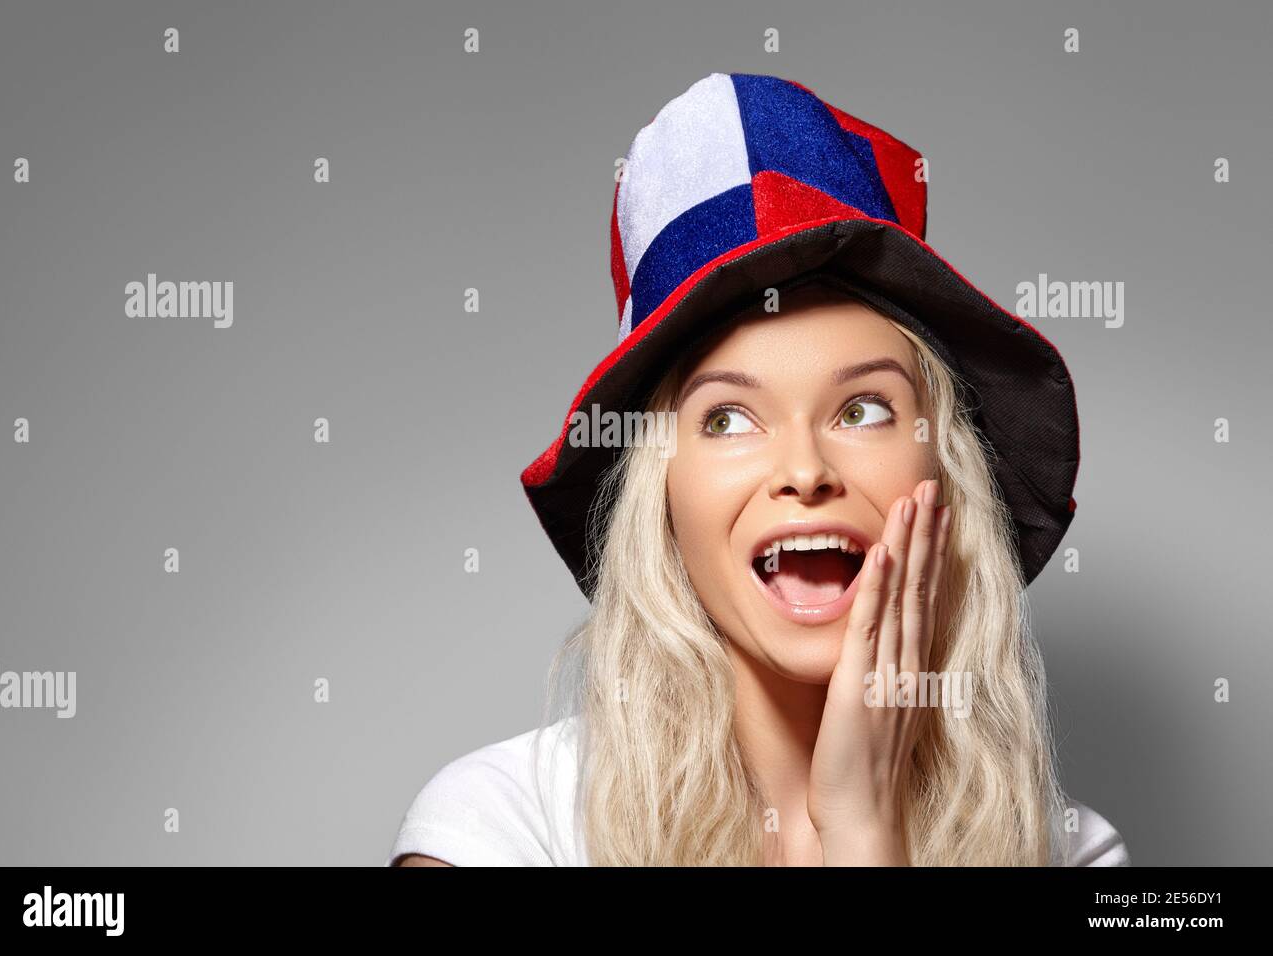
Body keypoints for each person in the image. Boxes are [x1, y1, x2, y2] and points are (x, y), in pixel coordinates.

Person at [390, 72, 1129, 866]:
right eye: (727, 419)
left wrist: (864, 834)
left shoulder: (1067, 852)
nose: (805, 470)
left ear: (945, 469)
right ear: (662, 496)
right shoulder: (495, 827)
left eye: (864, 409)